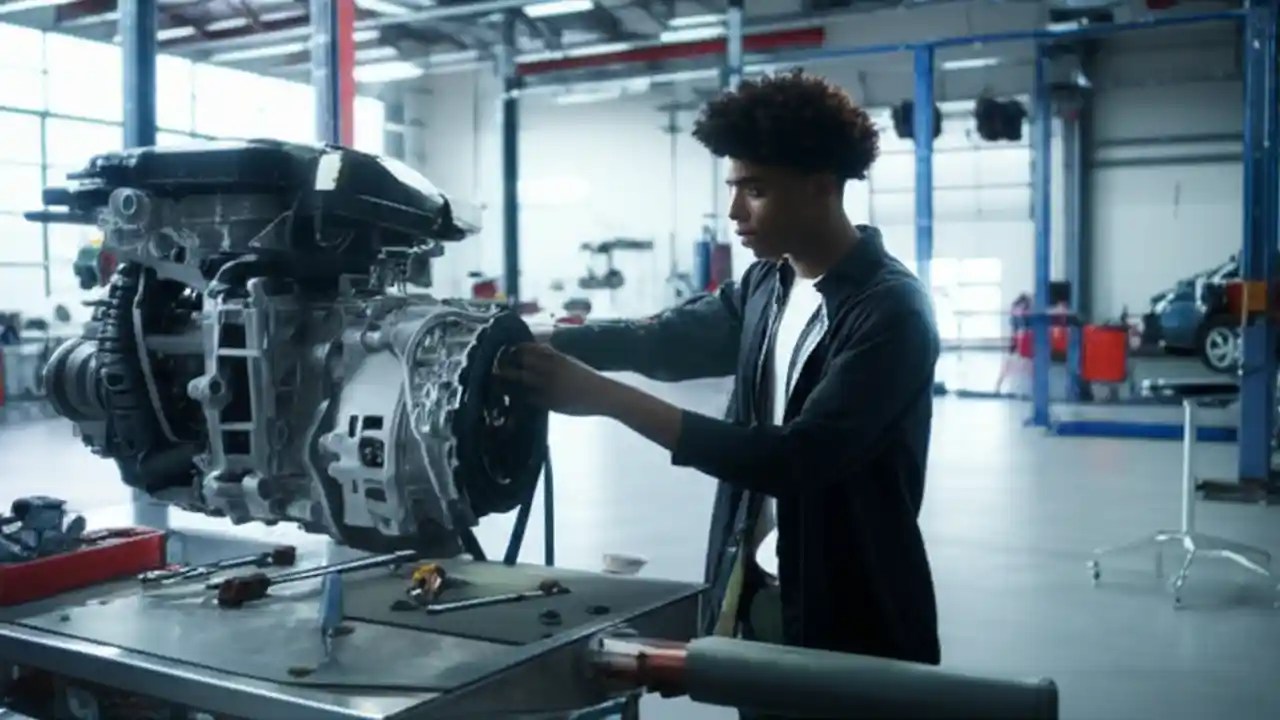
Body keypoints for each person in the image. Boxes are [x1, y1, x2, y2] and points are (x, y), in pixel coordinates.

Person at [498, 69, 942, 678]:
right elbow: (669, 340)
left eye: (754, 190)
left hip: (851, 613)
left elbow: (796, 460)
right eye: (734, 187)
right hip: (754, 591)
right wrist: (529, 336)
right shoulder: (770, 282)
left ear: (820, 187)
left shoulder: (890, 310)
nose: (735, 210)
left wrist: (606, 398)